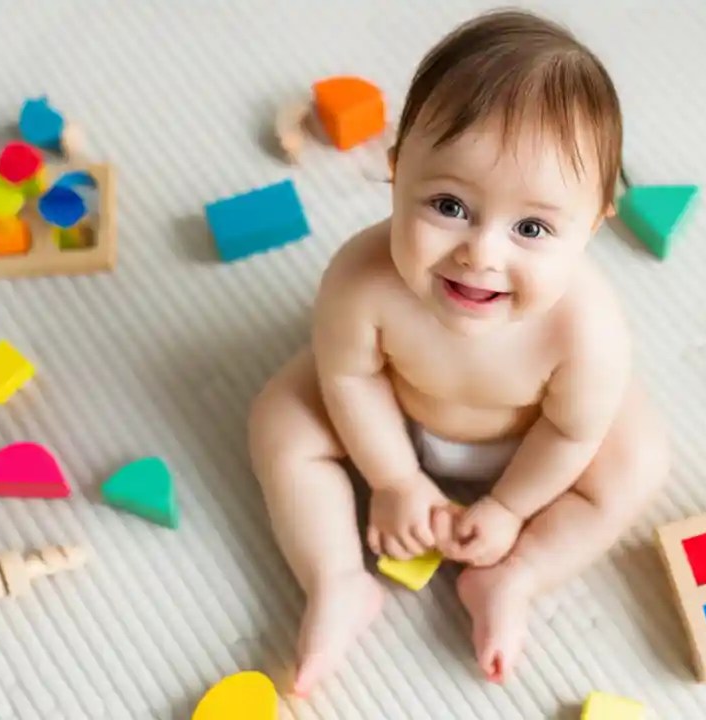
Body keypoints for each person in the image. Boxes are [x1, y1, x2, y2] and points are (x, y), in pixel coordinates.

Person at [248, 7, 670, 696]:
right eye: (448, 205)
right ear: (395, 171)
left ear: (592, 225)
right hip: (393, 415)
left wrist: (508, 509)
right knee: (280, 419)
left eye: (532, 227)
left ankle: (517, 576)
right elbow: (350, 377)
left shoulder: (585, 328)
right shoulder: (362, 279)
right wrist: (393, 480)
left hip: (532, 442)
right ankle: (336, 579)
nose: (481, 253)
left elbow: (571, 430)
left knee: (637, 461)